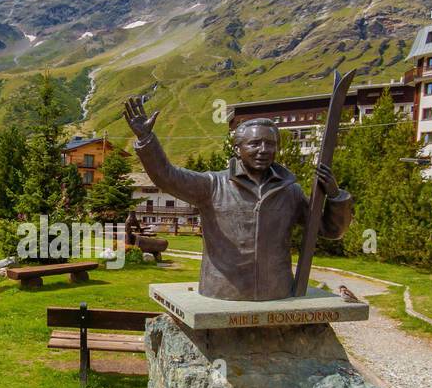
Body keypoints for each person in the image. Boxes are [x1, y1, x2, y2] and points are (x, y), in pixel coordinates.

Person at [124, 96, 352, 301]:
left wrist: (335, 195)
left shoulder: (290, 191)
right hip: (222, 291)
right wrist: (146, 139)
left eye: (270, 144)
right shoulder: (213, 185)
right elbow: (167, 176)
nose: (263, 150)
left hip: (277, 290)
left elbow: (330, 231)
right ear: (237, 149)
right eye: (254, 144)